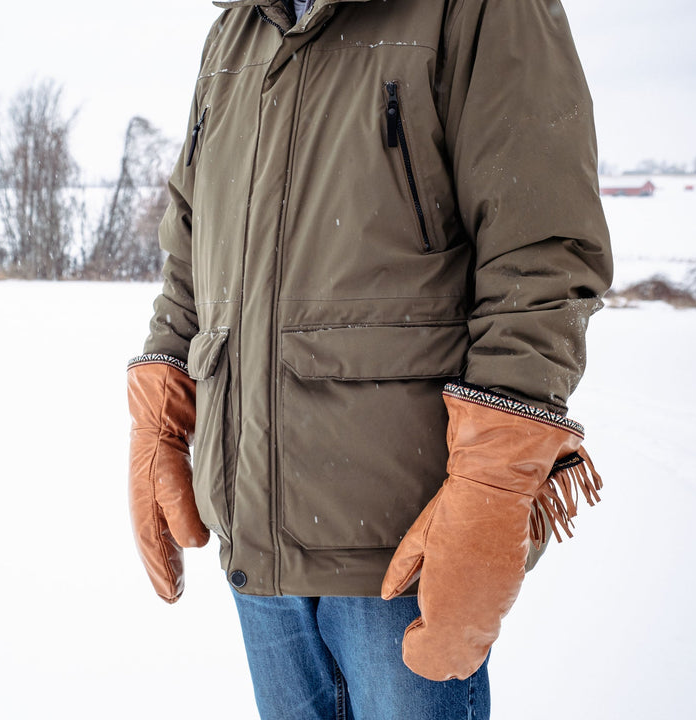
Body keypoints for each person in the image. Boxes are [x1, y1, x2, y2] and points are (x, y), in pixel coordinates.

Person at [126, 0, 612, 717]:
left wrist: (495, 485)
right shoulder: (238, 28)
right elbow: (190, 250)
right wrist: (161, 421)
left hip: (401, 554)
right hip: (259, 553)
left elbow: (540, 255)